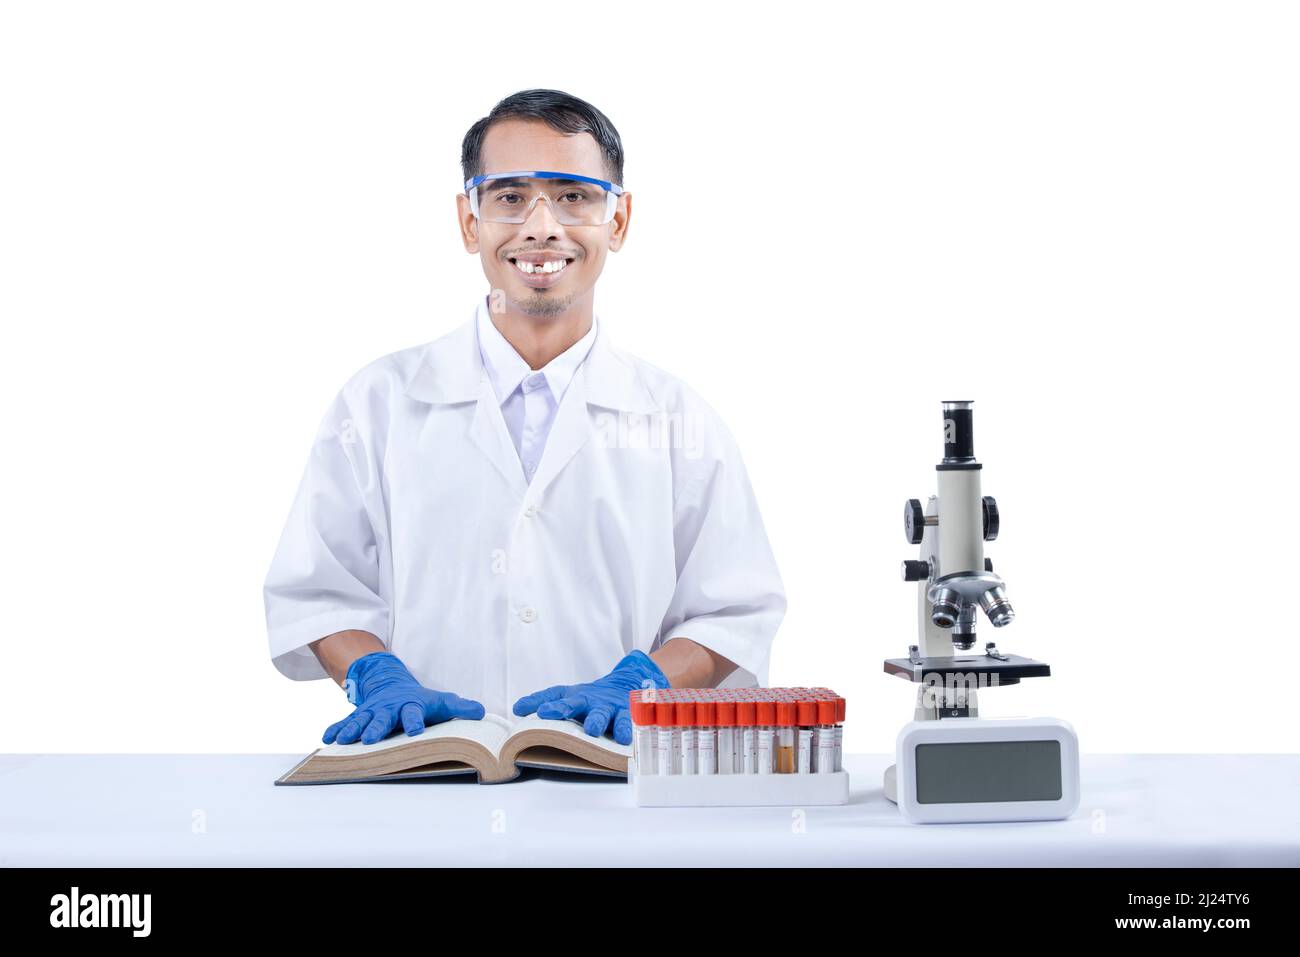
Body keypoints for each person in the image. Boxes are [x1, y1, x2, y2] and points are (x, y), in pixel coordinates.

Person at [263, 89, 785, 749]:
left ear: (617, 221)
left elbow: (732, 611)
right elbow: (316, 590)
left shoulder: (681, 422)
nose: (541, 226)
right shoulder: (377, 404)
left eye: (574, 194)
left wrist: (645, 679)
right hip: (423, 772)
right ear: (469, 220)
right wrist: (376, 674)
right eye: (510, 197)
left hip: (617, 780)